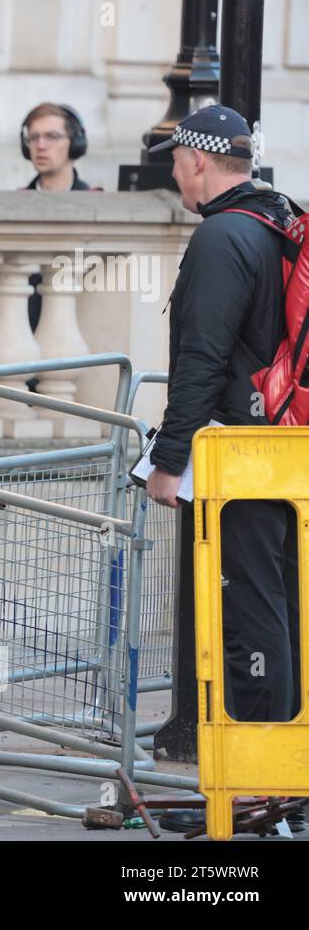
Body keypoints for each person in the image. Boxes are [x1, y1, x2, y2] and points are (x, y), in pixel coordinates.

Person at [144, 105, 300, 737]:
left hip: (242, 450)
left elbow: (202, 361)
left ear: (199, 161)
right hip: (286, 441)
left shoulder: (220, 237)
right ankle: (286, 766)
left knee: (249, 612)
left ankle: (264, 772)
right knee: (285, 604)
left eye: (178, 162)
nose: (177, 175)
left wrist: (167, 460)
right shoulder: (277, 218)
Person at [18, 103, 98, 332]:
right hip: (24, 326)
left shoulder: (94, 202)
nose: (41, 145)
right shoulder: (17, 202)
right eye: (34, 138)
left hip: (80, 324)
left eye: (52, 136)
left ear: (75, 143)